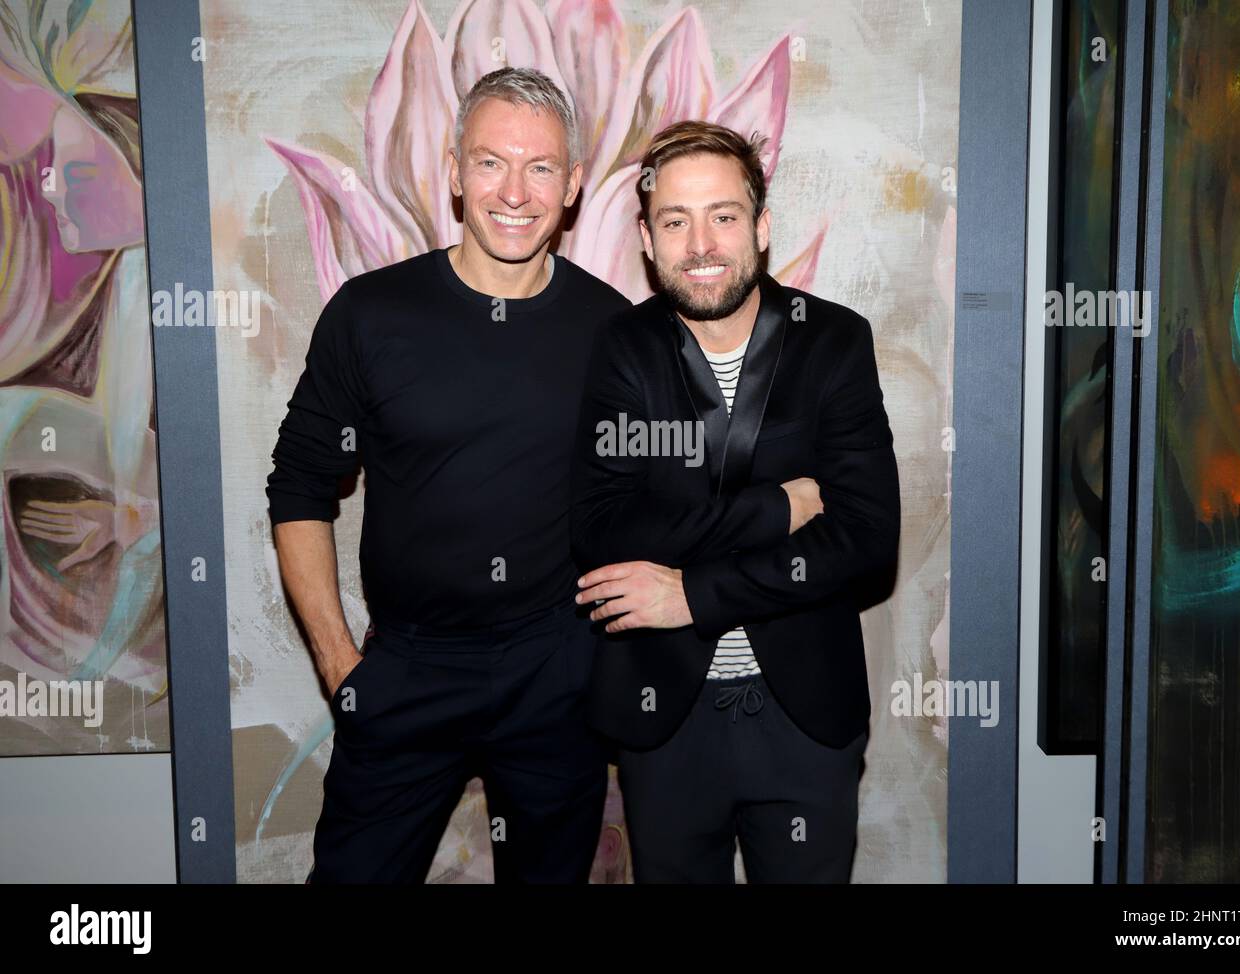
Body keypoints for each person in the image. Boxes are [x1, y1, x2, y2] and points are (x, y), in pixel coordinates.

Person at [266, 67, 630, 884]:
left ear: (572, 186)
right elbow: (298, 484)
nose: (515, 190)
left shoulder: (613, 329)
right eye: (491, 161)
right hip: (408, 669)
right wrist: (335, 659)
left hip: (555, 674)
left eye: (541, 167)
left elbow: (655, 494)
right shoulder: (370, 314)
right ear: (454, 169)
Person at [570, 120, 900, 883]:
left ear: (761, 228)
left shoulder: (834, 343)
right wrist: (779, 509)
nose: (702, 243)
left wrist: (691, 593)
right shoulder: (623, 349)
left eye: (723, 215)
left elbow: (864, 540)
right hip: (665, 716)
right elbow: (604, 528)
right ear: (648, 241)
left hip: (805, 713)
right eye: (675, 221)